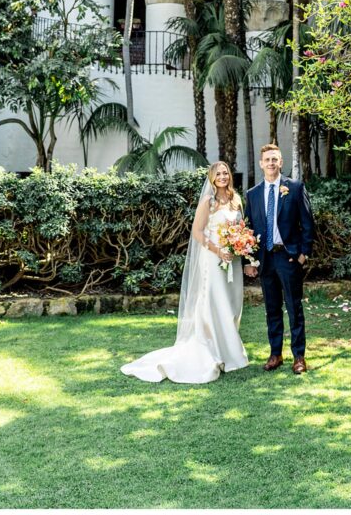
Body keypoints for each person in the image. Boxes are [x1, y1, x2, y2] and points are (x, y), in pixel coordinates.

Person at [120, 161, 249, 384]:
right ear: (212, 178)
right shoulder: (208, 202)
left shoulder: (236, 199)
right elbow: (197, 232)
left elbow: (241, 229)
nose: (222, 176)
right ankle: (212, 351)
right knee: (213, 302)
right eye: (218, 174)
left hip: (233, 260)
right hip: (213, 259)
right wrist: (218, 250)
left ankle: (231, 351)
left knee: (231, 303)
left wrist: (240, 246)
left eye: (225, 173)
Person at [244, 143, 315, 375]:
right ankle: (275, 354)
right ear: (261, 164)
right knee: (272, 308)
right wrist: (250, 260)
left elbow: (308, 223)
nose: (271, 163)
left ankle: (299, 356)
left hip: (289, 257)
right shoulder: (252, 194)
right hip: (265, 260)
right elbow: (248, 229)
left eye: (275, 159)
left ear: (281, 162)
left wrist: (303, 254)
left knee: (294, 307)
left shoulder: (294, 188)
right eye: (267, 160)